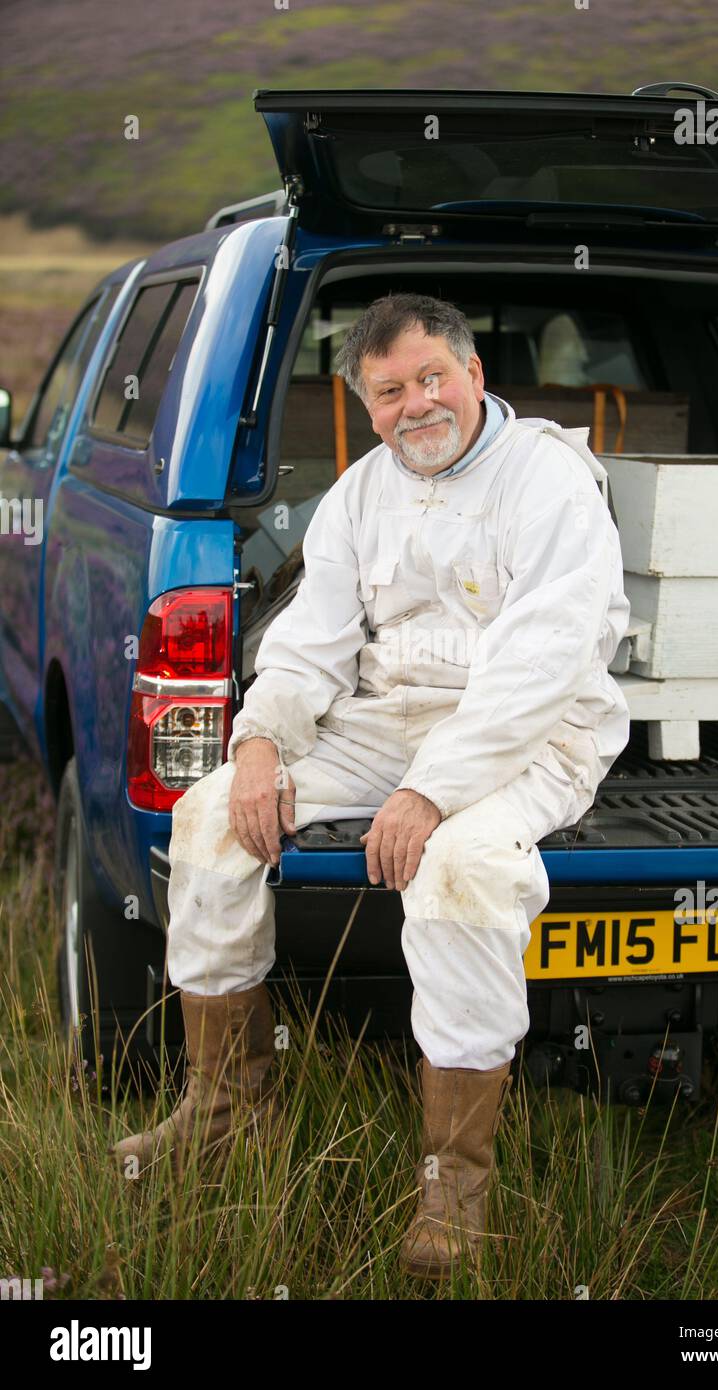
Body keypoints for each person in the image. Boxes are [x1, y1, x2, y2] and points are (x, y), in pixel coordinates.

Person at [111, 292, 631, 1281]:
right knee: (213, 814)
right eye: (388, 392)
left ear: (475, 374)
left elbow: (538, 663)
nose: (415, 405)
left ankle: (456, 1182)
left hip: (529, 733)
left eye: (432, 377)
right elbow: (312, 640)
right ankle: (226, 1116)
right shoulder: (360, 489)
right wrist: (260, 741)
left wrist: (429, 794)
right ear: (366, 400)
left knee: (460, 869)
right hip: (379, 727)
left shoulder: (550, 481)